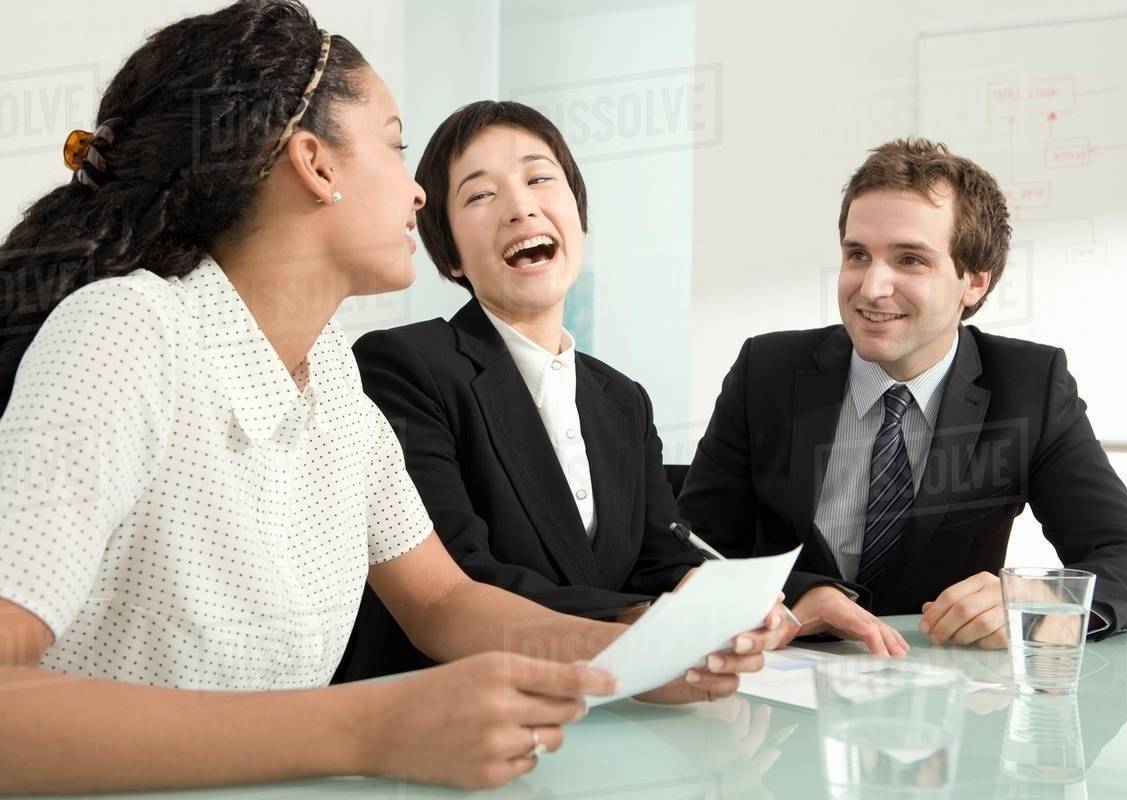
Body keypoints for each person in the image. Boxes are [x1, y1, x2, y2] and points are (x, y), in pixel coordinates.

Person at [0, 4, 777, 793]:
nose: (417, 194)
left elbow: (441, 600)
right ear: (316, 165)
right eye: (397, 145)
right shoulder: (130, 332)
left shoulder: (334, 379)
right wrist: (372, 728)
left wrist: (635, 657)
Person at [337, 100, 796, 680]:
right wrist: (641, 624)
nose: (521, 207)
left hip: (609, 703)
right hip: (454, 703)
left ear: (578, 216)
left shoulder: (624, 400)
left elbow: (661, 558)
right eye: (481, 195)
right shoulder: (404, 365)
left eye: (539, 179)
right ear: (450, 255)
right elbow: (459, 576)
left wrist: (721, 602)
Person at [677, 138, 1127, 652]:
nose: (871, 287)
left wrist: (1031, 603)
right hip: (783, 679)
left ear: (974, 282)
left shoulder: (1029, 386)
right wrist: (803, 594)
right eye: (857, 255)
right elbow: (687, 552)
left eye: (910, 260)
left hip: (944, 679)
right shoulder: (767, 370)